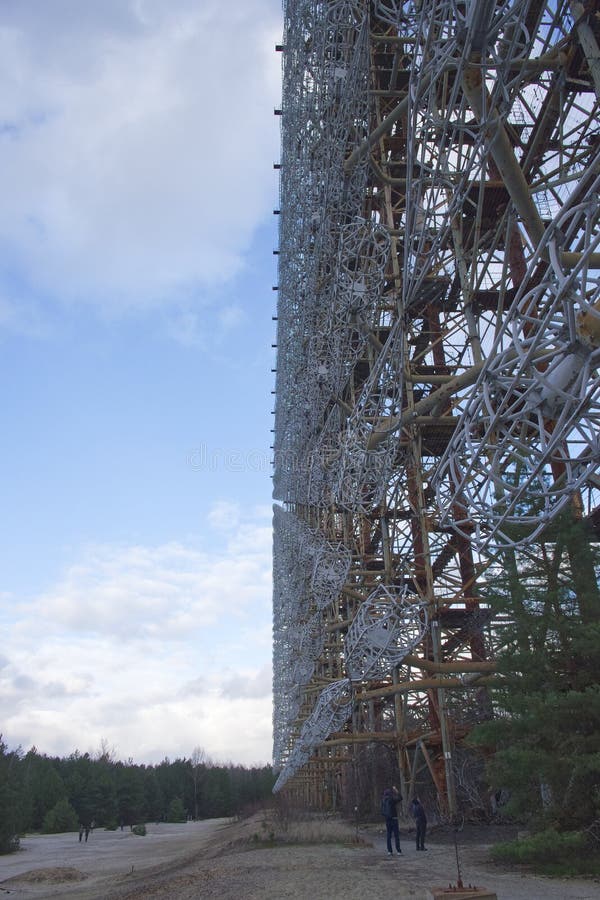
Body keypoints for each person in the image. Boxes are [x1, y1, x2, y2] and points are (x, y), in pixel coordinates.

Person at [381, 785, 402, 856]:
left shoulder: (383, 801)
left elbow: (382, 811)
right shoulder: (392, 799)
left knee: (388, 836)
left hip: (387, 820)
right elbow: (400, 798)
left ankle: (389, 851)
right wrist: (396, 790)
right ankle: (398, 851)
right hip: (394, 819)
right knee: (396, 836)